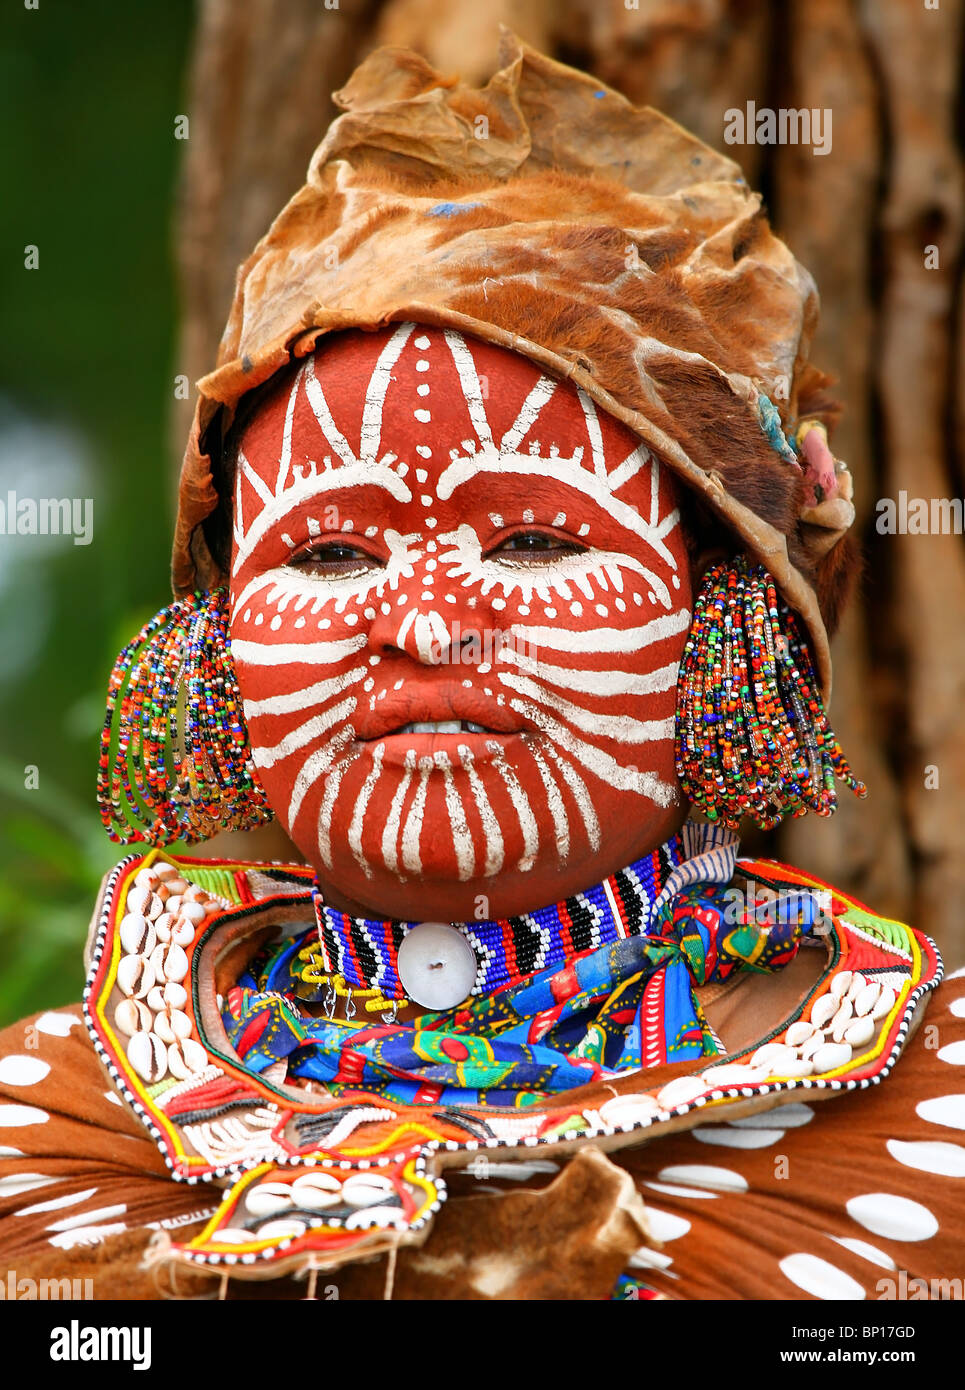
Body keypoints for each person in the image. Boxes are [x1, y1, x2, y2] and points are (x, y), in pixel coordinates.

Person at [0, 36, 961, 1302]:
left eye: (528, 539)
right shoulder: (52, 1121)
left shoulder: (929, 1112)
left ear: (724, 617)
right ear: (216, 645)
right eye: (332, 554)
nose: (426, 625)